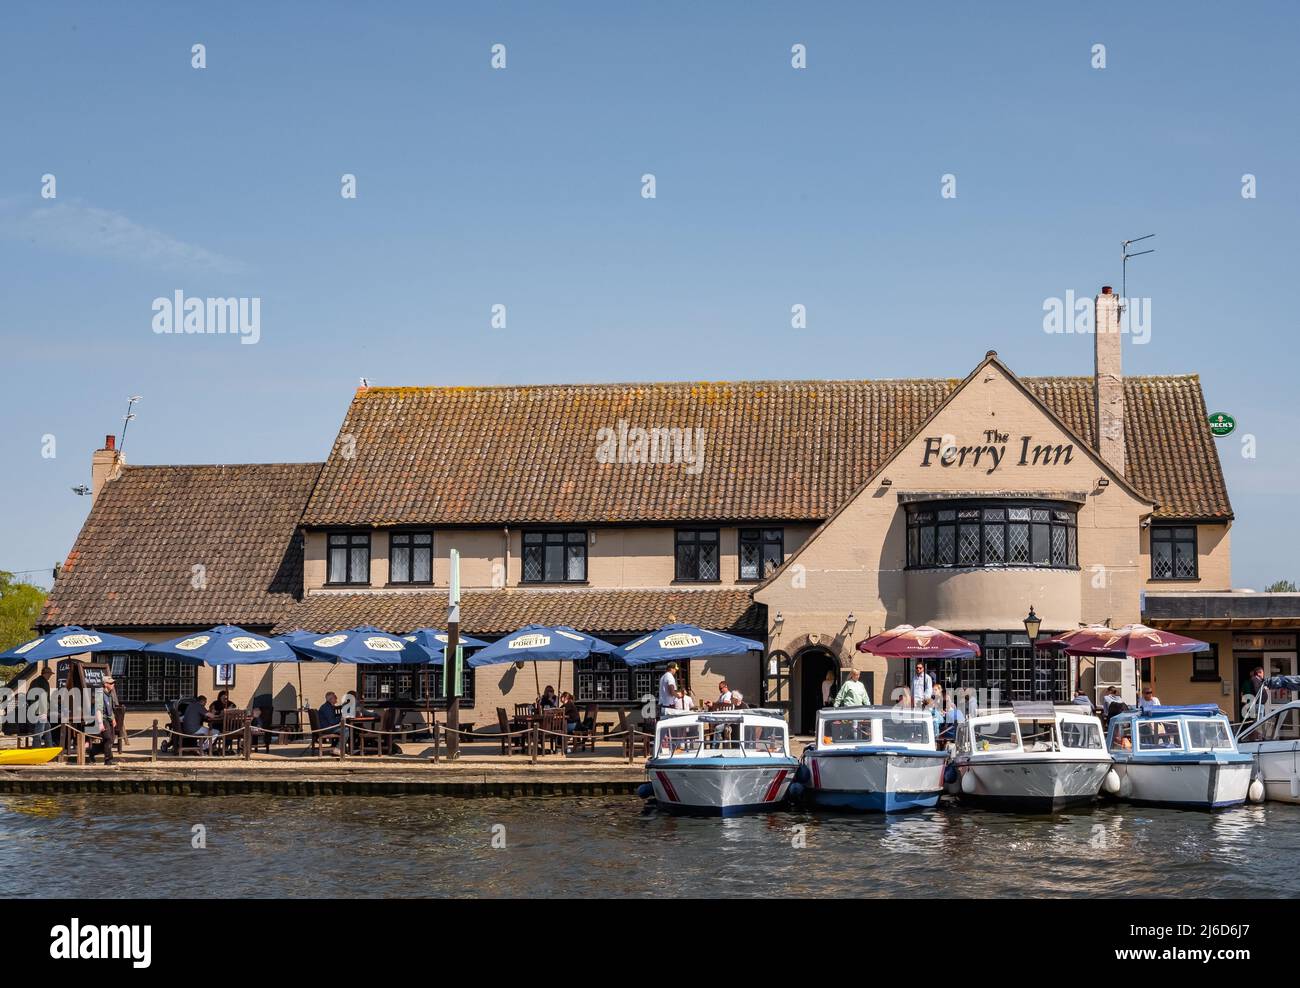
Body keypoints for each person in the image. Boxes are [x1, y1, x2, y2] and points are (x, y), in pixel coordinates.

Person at [87, 675, 119, 765]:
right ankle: (108, 760)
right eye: (111, 683)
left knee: (110, 740)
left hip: (108, 719)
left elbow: (110, 708)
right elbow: (98, 709)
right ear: (105, 684)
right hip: (101, 718)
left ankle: (92, 751)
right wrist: (100, 723)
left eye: (113, 683)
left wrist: (113, 718)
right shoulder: (100, 694)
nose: (113, 684)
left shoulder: (110, 693)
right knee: (108, 739)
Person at [26, 668, 52, 748]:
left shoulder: (35, 681)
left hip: (37, 709)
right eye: (50, 674)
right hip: (40, 710)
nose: (50, 676)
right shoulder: (43, 682)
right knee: (39, 731)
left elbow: (29, 696)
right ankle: (36, 747)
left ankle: (49, 746)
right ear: (46, 673)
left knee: (47, 728)